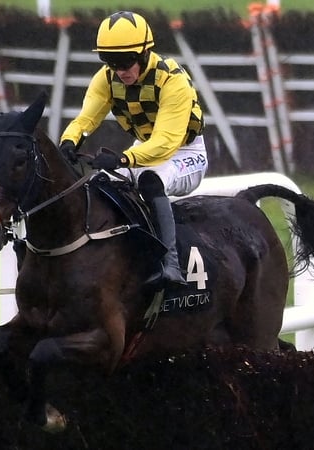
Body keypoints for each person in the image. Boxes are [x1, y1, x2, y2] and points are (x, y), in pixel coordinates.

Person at [58, 10, 208, 286]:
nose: (120, 70)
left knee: (151, 181)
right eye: (110, 61)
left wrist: (123, 159)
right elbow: (86, 119)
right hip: (144, 149)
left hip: (185, 152)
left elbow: (165, 143)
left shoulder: (172, 80)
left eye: (126, 61)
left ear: (144, 53)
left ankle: (171, 263)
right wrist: (70, 141)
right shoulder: (106, 78)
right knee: (99, 184)